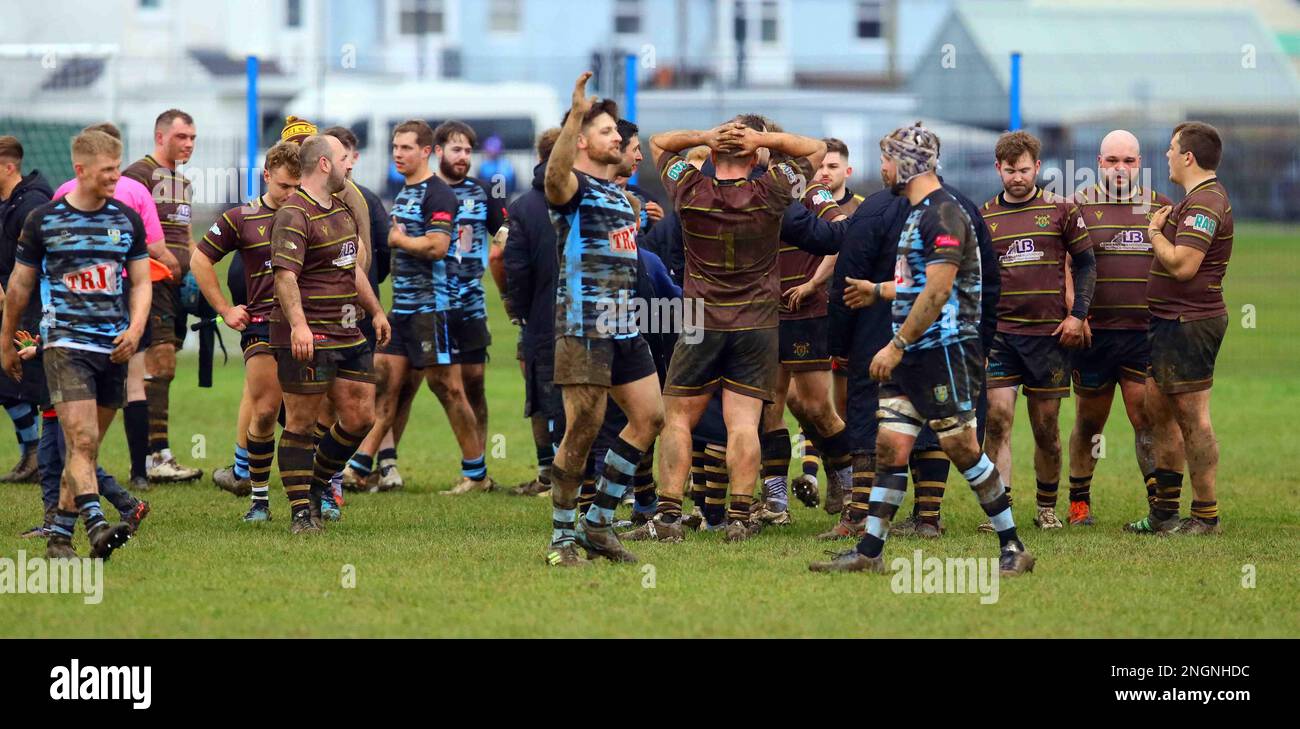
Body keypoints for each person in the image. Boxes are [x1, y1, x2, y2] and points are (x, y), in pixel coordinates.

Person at [809, 122, 1033, 576]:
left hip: (942, 353)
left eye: (888, 159)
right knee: (891, 448)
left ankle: (1013, 547)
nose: (883, 168)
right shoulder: (915, 210)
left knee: (964, 449)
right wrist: (878, 291)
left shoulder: (943, 214)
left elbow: (939, 290)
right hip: (914, 356)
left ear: (907, 164)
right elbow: (917, 283)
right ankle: (869, 553)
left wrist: (896, 345)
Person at [625, 115, 828, 544]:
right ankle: (738, 518)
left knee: (677, 418)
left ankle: (666, 516)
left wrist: (701, 136)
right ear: (756, 156)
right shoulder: (771, 189)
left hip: (700, 319)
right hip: (757, 321)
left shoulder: (689, 188)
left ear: (712, 155)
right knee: (743, 422)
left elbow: (660, 141)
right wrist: (761, 138)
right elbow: (815, 149)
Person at [1, 129, 152, 560]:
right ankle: (99, 524)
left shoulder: (126, 220)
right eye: (107, 171)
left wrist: (136, 327)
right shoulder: (44, 221)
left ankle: (59, 539)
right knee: (80, 441)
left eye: (118, 169)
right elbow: (18, 287)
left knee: (86, 448)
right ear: (80, 170)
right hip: (65, 345)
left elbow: (141, 282)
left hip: (115, 348)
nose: (115, 177)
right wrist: (7, 342)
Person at [542, 71, 663, 566]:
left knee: (651, 417)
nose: (620, 137)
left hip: (625, 325)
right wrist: (574, 114)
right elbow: (553, 178)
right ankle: (561, 537)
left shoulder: (619, 194)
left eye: (619, 131)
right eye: (609, 131)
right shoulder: (575, 188)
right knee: (583, 432)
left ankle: (598, 522)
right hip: (585, 328)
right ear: (585, 141)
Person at [268, 134, 390, 534]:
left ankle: (318, 482)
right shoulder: (294, 213)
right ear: (324, 164)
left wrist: (374, 310)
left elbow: (352, 269)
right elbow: (285, 276)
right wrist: (299, 325)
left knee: (361, 417)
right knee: (301, 423)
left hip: (348, 329)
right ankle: (302, 512)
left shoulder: (340, 209)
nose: (350, 164)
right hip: (307, 333)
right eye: (343, 158)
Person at [979, 130, 1095, 530]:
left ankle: (1046, 506)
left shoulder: (1062, 210)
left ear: (1037, 168)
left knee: (1046, 427)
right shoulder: (984, 216)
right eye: (1009, 170)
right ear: (998, 169)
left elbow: (1086, 265)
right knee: (996, 420)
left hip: (1049, 338)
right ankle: (1000, 511)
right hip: (1000, 337)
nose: (1017, 177)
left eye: (1024, 170)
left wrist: (1077, 315)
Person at [54, 123, 174, 494]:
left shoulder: (60, 193)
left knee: (77, 395)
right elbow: (155, 244)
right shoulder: (136, 191)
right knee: (134, 384)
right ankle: (138, 471)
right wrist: (173, 266)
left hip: (77, 302)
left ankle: (79, 470)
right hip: (123, 293)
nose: (113, 175)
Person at [1127, 122, 1233, 536]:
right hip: (1169, 322)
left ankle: (1206, 515)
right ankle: (1164, 514)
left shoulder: (1206, 203)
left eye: (1172, 149)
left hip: (1191, 322)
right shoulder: (1194, 199)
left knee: (1193, 420)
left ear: (1188, 156)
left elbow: (1184, 265)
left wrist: (1153, 232)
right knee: (1159, 415)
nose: (1167, 155)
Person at [192, 140, 303, 522]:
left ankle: (318, 495)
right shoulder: (241, 217)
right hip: (261, 326)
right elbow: (200, 258)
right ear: (267, 177)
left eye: (297, 187)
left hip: (309, 327)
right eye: (284, 186)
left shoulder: (312, 214)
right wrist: (224, 308)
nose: (291, 194)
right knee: (266, 409)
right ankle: (258, 500)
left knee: (311, 415)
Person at [1068, 131, 1172, 527]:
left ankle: (1157, 504)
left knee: (1144, 418)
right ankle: (1079, 504)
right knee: (1090, 422)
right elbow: (1064, 266)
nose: (1120, 169)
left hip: (1143, 335)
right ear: (1099, 163)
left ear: (1140, 164)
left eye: (1128, 161)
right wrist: (1075, 312)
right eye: (1112, 160)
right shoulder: (1077, 206)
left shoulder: (1160, 208)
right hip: (1094, 334)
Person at [122, 109, 203, 483]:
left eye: (192, 138)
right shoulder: (136, 176)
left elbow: (183, 236)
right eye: (181, 137)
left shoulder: (182, 182)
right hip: (149, 284)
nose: (188, 144)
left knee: (164, 369)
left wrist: (195, 266)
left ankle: (156, 453)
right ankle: (155, 455)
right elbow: (128, 231)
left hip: (175, 287)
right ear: (160, 136)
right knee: (160, 364)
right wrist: (167, 259)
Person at [433, 120, 507, 494]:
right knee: (449, 386)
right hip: (434, 305)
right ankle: (471, 468)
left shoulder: (483, 192)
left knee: (475, 384)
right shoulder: (425, 192)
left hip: (472, 304)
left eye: (467, 151)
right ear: (438, 152)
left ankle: (478, 471)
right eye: (455, 149)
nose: (462, 157)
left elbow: (505, 234)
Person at [503, 128, 563, 497]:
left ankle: (549, 475)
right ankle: (579, 479)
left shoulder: (523, 206)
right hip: (593, 320)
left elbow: (511, 265)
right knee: (584, 402)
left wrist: (520, 310)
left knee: (543, 399)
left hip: (539, 321)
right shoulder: (593, 197)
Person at [0, 135, 51, 483]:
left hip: (31, 305)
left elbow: (36, 261)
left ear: (8, 166)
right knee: (8, 383)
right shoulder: (4, 203)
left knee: (30, 382)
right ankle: (32, 453)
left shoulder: (32, 203)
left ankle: (42, 456)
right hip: (8, 302)